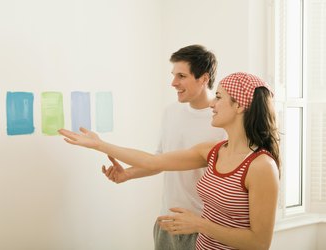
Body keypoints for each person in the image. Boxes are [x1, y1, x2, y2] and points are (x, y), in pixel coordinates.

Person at [58, 72, 281, 250]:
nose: (213, 103)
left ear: (239, 105)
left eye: (220, 97)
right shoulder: (212, 152)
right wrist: (100, 145)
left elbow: (259, 243)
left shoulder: (261, 166)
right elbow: (154, 162)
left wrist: (200, 225)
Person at [101, 44, 226, 250]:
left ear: (204, 78)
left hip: (201, 227)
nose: (173, 83)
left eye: (181, 76)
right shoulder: (171, 112)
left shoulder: (222, 120)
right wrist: (128, 174)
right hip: (166, 222)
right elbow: (160, 161)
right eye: (173, 75)